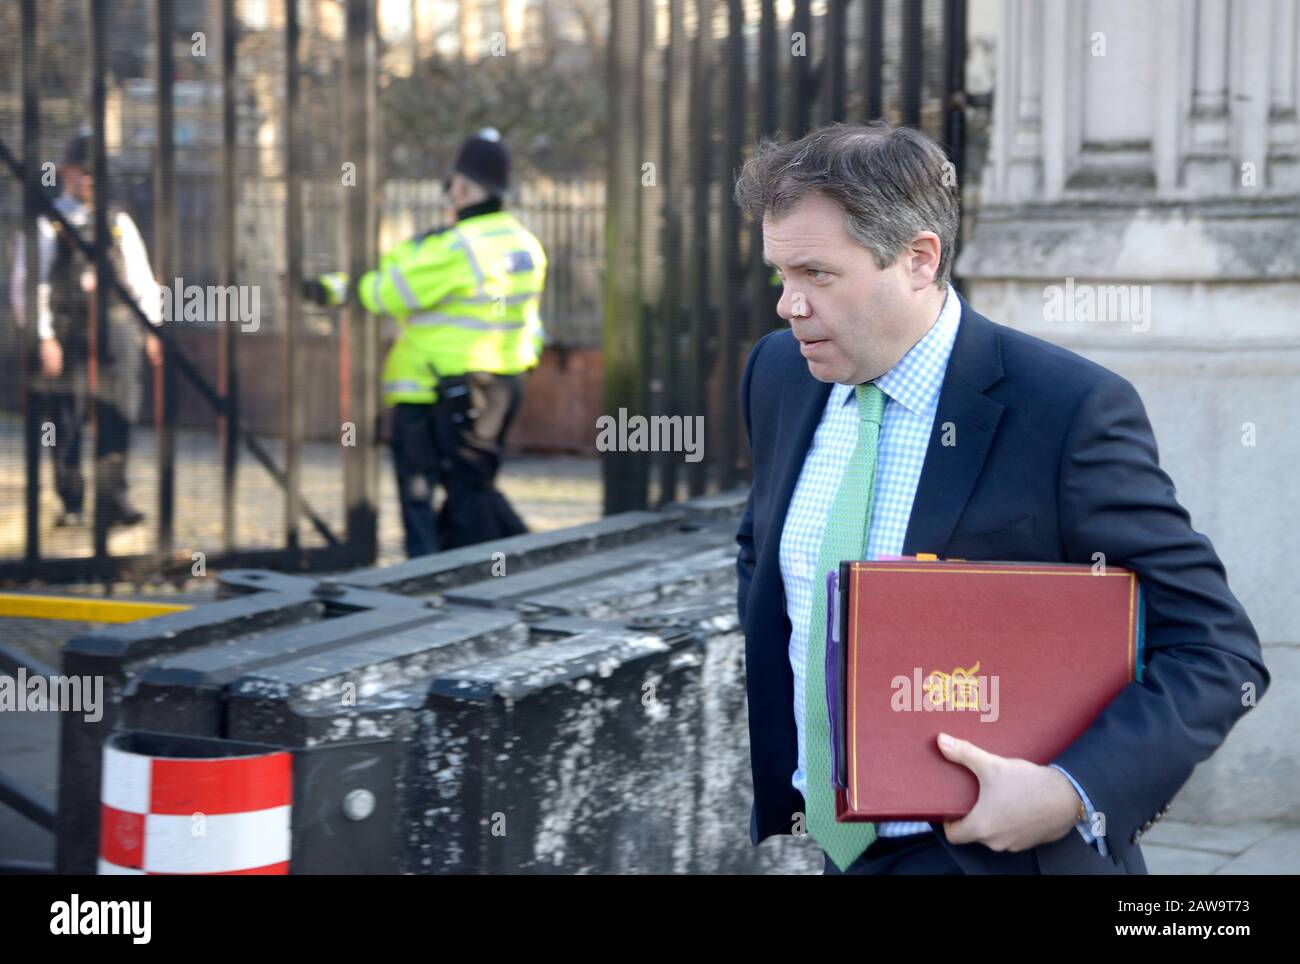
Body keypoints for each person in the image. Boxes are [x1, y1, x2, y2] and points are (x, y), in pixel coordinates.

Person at [731, 121, 1269, 875]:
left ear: (919, 260)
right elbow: (761, 549)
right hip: (836, 853)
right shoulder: (779, 373)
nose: (788, 305)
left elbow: (1216, 652)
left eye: (817, 274)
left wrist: (1069, 791)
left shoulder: (1068, 411)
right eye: (778, 275)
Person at [306, 128, 546, 557]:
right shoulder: (524, 244)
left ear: (463, 187)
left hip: (436, 388)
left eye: (452, 184)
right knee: (472, 484)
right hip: (503, 386)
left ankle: (432, 577)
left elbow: (386, 293)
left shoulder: (458, 247)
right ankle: (500, 564)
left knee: (422, 493)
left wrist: (330, 289)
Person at [8, 132, 163, 528]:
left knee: (120, 412)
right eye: (85, 171)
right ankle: (72, 502)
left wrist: (152, 328)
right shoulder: (47, 223)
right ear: (67, 172)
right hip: (69, 332)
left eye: (98, 172)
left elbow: (141, 280)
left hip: (117, 329)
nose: (92, 179)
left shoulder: (117, 221)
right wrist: (43, 336)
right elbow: (29, 283)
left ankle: (114, 498)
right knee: (67, 418)